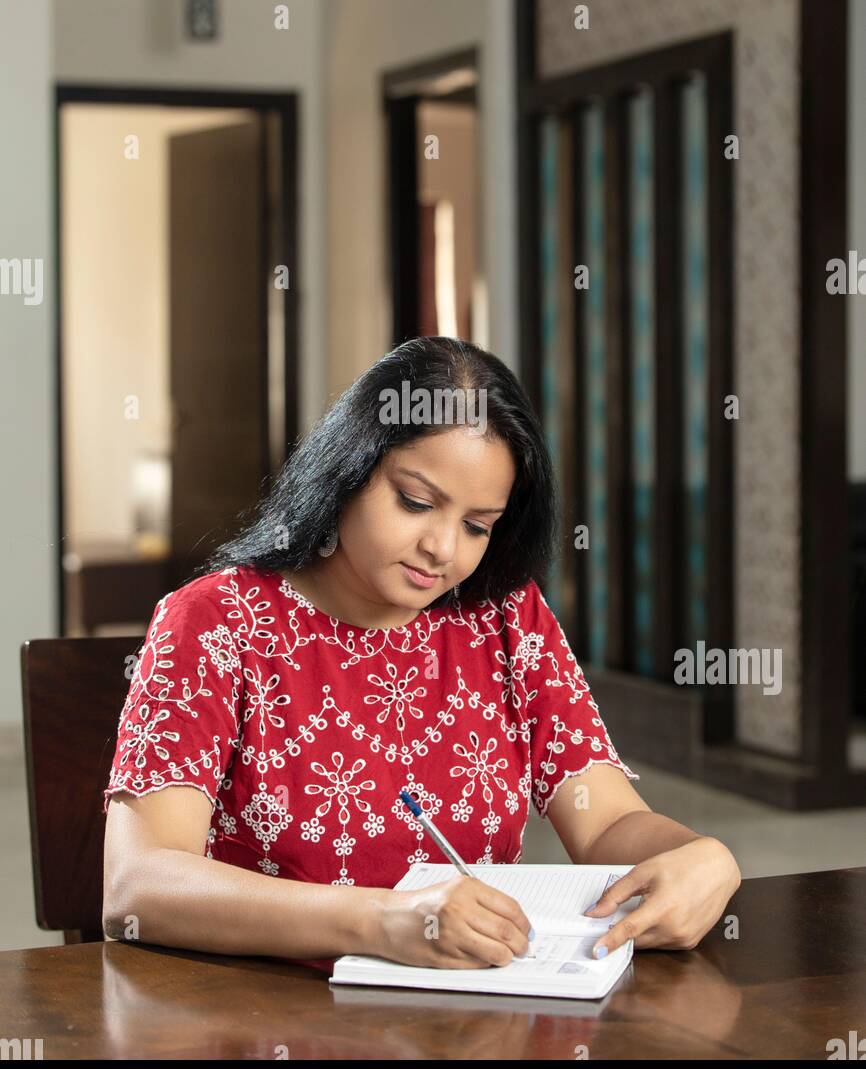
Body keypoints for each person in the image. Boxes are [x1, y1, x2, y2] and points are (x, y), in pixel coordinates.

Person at [102, 335, 740, 973]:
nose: (441, 548)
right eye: (415, 501)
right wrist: (378, 922)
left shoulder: (504, 618)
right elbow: (140, 886)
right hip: (270, 1011)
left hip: (469, 1016)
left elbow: (603, 825)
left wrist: (698, 856)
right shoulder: (219, 622)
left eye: (476, 526)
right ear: (349, 467)